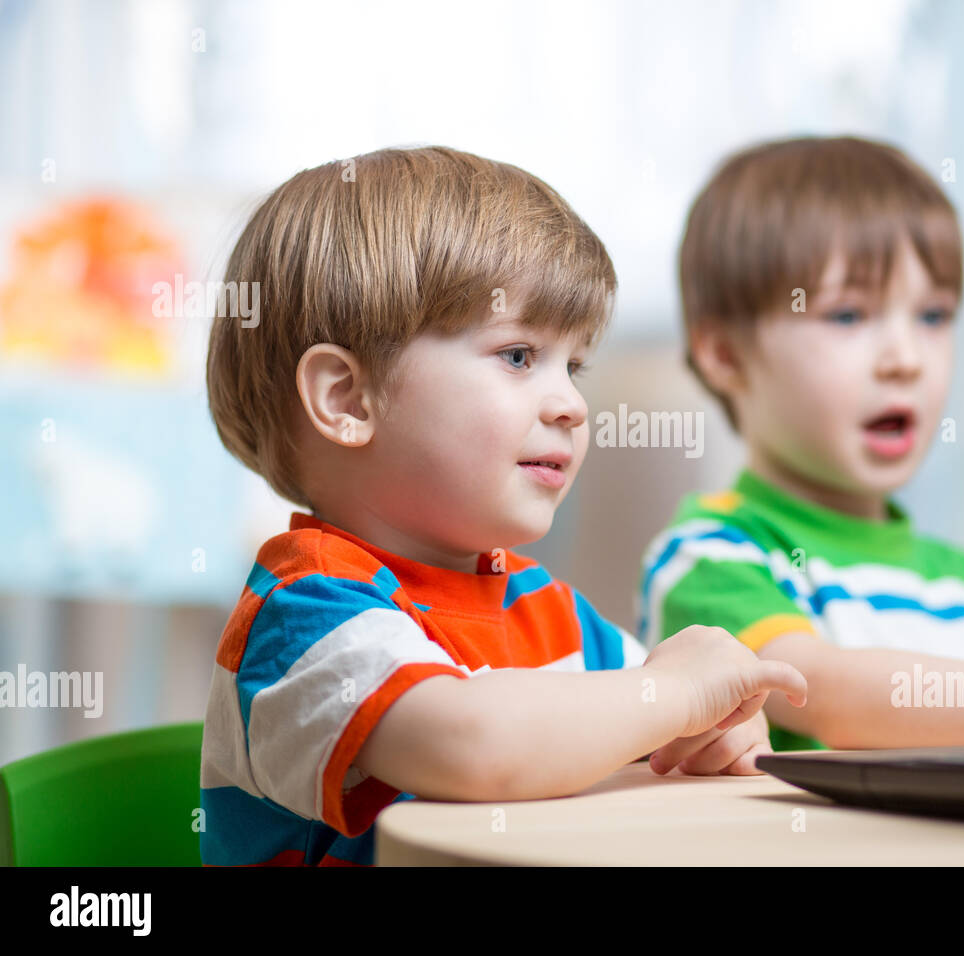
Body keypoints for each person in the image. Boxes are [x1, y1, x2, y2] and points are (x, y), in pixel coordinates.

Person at [199, 145, 806, 865]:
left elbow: (653, 728)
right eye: (519, 355)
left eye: (573, 365)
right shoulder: (305, 616)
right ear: (347, 398)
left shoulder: (549, 611)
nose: (574, 405)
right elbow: (475, 744)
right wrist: (673, 694)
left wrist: (715, 730)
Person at [638, 135, 964, 752]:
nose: (906, 359)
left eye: (933, 315)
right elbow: (826, 695)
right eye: (848, 316)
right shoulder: (708, 560)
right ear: (725, 354)